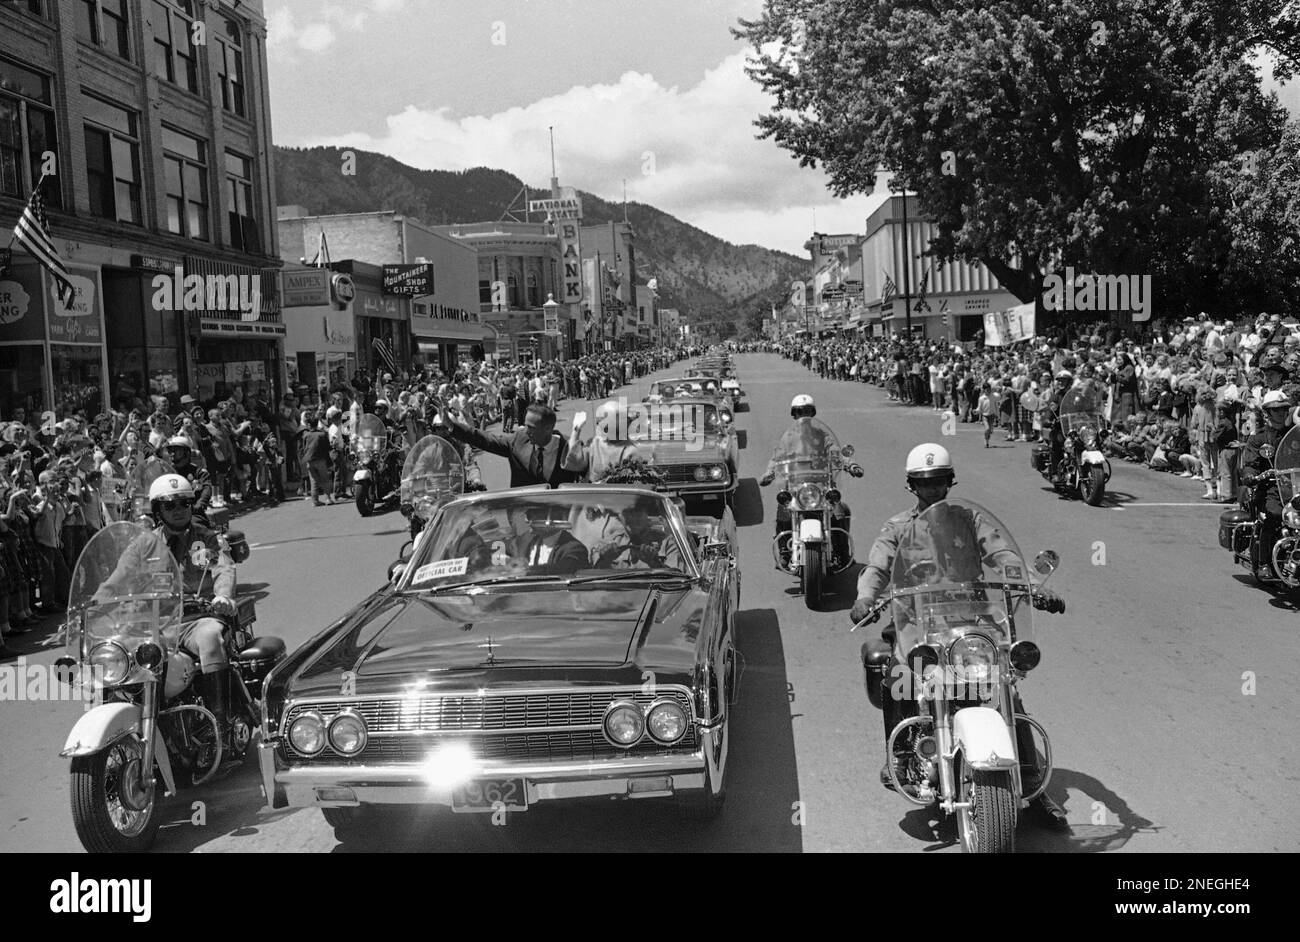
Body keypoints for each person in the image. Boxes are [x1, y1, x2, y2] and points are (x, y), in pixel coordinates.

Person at [847, 443, 1067, 827]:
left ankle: (1031, 780)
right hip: (919, 624)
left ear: (950, 481)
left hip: (973, 622)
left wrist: (1032, 584)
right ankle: (900, 754)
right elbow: (878, 566)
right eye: (923, 483)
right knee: (899, 675)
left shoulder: (970, 519)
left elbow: (1003, 556)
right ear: (911, 485)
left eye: (938, 481)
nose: (932, 489)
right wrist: (866, 597)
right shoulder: (898, 527)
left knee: (1005, 688)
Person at [100, 474, 238, 741]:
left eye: (184, 504)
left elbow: (224, 570)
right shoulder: (143, 544)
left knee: (210, 638)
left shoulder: (208, 539)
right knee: (114, 652)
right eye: (170, 505)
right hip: (155, 624)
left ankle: (220, 723)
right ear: (158, 510)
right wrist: (92, 606)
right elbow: (117, 579)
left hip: (197, 619)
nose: (178, 510)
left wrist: (223, 597)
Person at [760, 394, 851, 566]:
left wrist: (849, 464)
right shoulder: (788, 437)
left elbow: (835, 452)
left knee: (840, 511)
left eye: (807, 411)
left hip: (822, 487)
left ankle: (842, 552)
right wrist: (769, 472)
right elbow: (777, 456)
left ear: (813, 413)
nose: (804, 415)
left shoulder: (822, 435)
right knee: (783, 511)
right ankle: (785, 552)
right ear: (793, 415)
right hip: (796, 488)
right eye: (799, 412)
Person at [440, 399, 578, 488]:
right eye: (525, 425)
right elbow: (485, 439)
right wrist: (452, 426)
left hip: (558, 518)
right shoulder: (519, 440)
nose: (525, 430)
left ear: (548, 428)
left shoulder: (568, 448)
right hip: (522, 517)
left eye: (531, 427)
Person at [1239, 389, 1294, 579]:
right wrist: (1250, 475)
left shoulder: (1294, 436)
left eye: (1284, 409)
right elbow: (1250, 464)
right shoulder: (1258, 439)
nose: (1281, 413)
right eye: (1276, 410)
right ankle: (1264, 564)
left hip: (1293, 486)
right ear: (1267, 412)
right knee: (1274, 514)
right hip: (1270, 487)